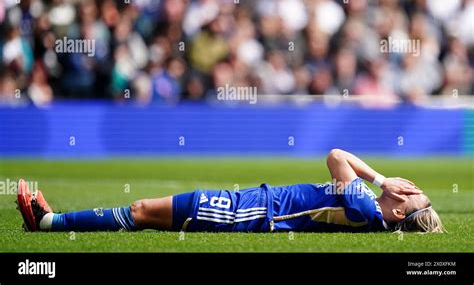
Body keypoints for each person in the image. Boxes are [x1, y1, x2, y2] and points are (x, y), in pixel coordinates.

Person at [16, 149, 444, 234]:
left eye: (414, 194)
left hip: (253, 213)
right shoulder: (367, 208)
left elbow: (336, 156)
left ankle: (48, 222)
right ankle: (52, 221)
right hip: (256, 203)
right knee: (143, 209)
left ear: (402, 211)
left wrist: (380, 179)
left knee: (142, 209)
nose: (409, 187)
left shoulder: (367, 208)